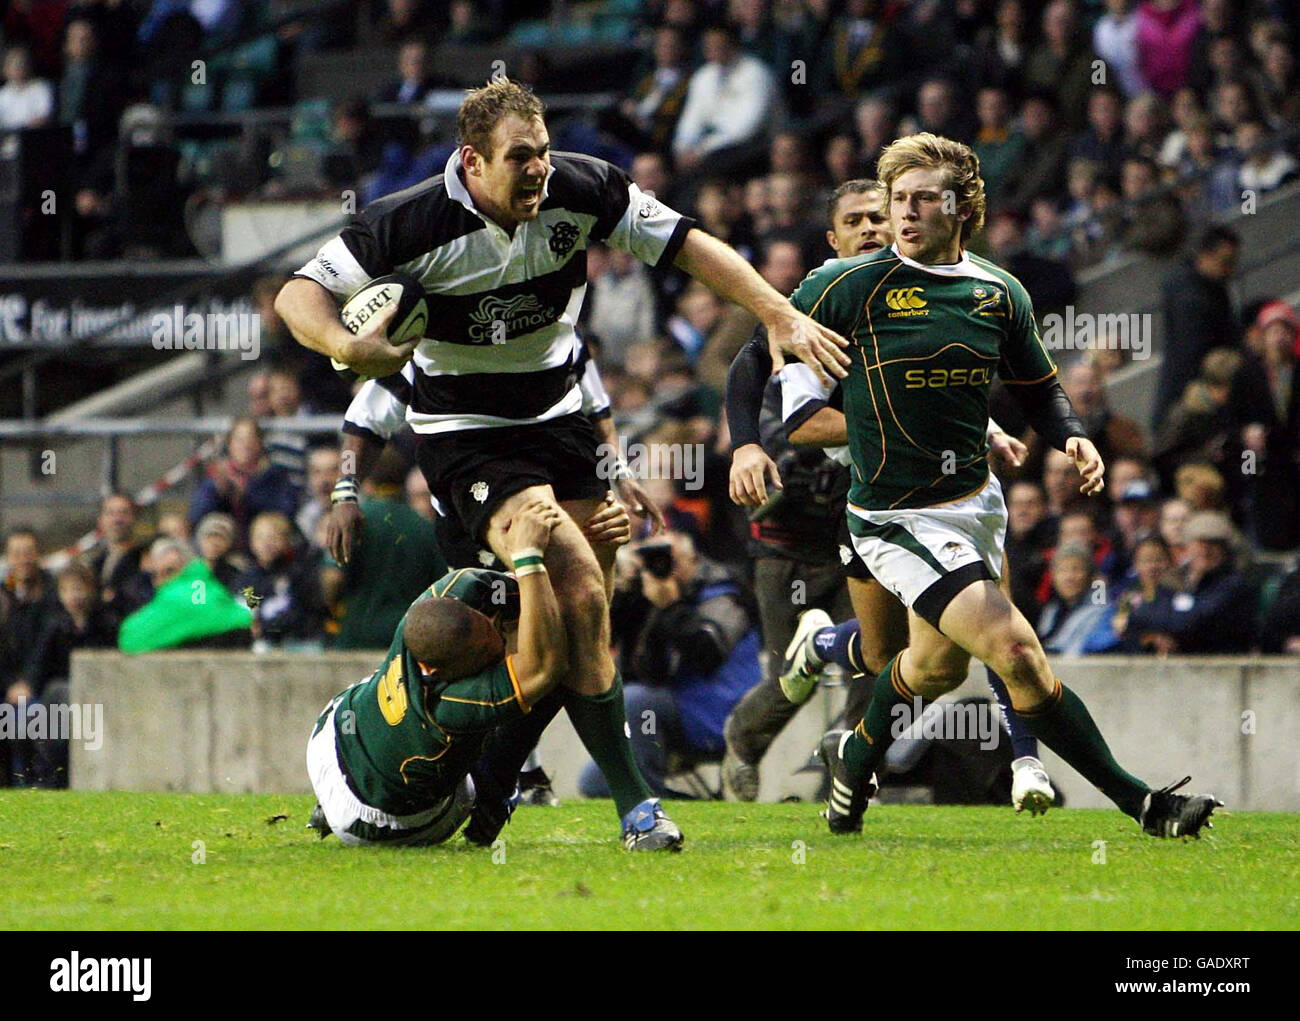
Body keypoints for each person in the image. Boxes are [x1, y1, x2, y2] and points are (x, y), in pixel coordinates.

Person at [276, 78, 845, 848]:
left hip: (562, 423)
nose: (541, 168)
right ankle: (635, 807)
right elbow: (297, 294)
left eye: (544, 151)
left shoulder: (583, 187)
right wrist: (346, 344)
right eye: (521, 157)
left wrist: (777, 310)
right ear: (472, 162)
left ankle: (484, 791)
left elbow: (689, 243)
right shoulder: (406, 222)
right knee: (569, 579)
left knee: (580, 618)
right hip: (468, 436)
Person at [787, 132, 1219, 838]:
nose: (906, 212)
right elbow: (776, 383)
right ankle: (1146, 804)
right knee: (1016, 651)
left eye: (926, 198)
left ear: (962, 207)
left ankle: (855, 757)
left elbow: (1040, 387)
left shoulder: (998, 290)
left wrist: (1073, 434)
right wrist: (767, 434)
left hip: (977, 505)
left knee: (931, 669)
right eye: (899, 199)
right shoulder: (844, 287)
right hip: (897, 516)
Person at [724, 179, 1049, 812]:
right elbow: (784, 402)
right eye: (858, 220)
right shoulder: (824, 300)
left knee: (942, 652)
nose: (874, 227)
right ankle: (794, 714)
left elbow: (941, 388)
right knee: (887, 657)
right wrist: (747, 444)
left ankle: (863, 775)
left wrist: (982, 426)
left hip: (931, 495)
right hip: (842, 512)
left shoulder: (924, 290)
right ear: (833, 237)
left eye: (882, 215)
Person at [304, 499, 664, 849]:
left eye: (489, 628)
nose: (496, 640)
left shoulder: (449, 594)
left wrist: (593, 544)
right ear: (443, 673)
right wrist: (528, 558)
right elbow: (547, 665)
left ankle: (338, 797)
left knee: (540, 636)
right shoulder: (445, 707)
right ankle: (493, 794)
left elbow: (567, 603)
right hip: (379, 819)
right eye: (485, 651)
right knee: (548, 672)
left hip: (331, 736)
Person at [580, 531, 761, 800]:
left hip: (724, 715)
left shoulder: (725, 593)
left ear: (693, 560)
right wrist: (624, 593)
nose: (662, 567)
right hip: (676, 708)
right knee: (595, 784)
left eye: (668, 559)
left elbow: (706, 654)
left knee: (635, 699)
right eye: (650, 559)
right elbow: (629, 660)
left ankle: (645, 798)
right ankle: (680, 803)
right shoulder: (652, 595)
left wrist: (670, 607)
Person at [1125, 511, 1256, 654]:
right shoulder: (1172, 579)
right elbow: (1137, 618)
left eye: (1213, 544)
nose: (1205, 550)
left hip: (1218, 664)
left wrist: (1161, 623)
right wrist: (1153, 637)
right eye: (1199, 542)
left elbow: (1192, 622)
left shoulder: (1234, 585)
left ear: (1225, 549)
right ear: (1187, 546)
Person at [117, 537, 253, 653]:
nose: (160, 579)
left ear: (185, 568)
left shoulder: (180, 593)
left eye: (169, 571)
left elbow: (130, 639)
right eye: (157, 573)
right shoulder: (209, 585)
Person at [83, 492, 151, 633]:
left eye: (124, 513)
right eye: (110, 513)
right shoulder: (94, 564)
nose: (117, 519)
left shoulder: (146, 559)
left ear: (135, 518)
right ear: (100, 520)